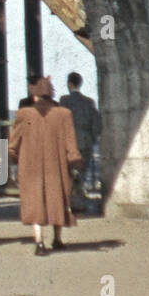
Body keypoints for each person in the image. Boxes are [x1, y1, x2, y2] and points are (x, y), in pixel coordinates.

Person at [8, 74, 82, 255]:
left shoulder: (24, 114)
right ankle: (57, 239)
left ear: (34, 95)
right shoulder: (64, 114)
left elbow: (13, 142)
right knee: (58, 199)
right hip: (56, 166)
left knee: (34, 201)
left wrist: (12, 158)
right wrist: (74, 161)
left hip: (30, 166)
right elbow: (71, 143)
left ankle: (39, 242)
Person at [60, 73, 101, 211]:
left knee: (69, 173)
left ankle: (70, 203)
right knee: (82, 173)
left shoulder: (64, 100)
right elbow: (97, 124)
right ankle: (80, 201)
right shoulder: (89, 102)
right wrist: (92, 138)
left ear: (69, 84)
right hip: (85, 142)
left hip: (68, 143)